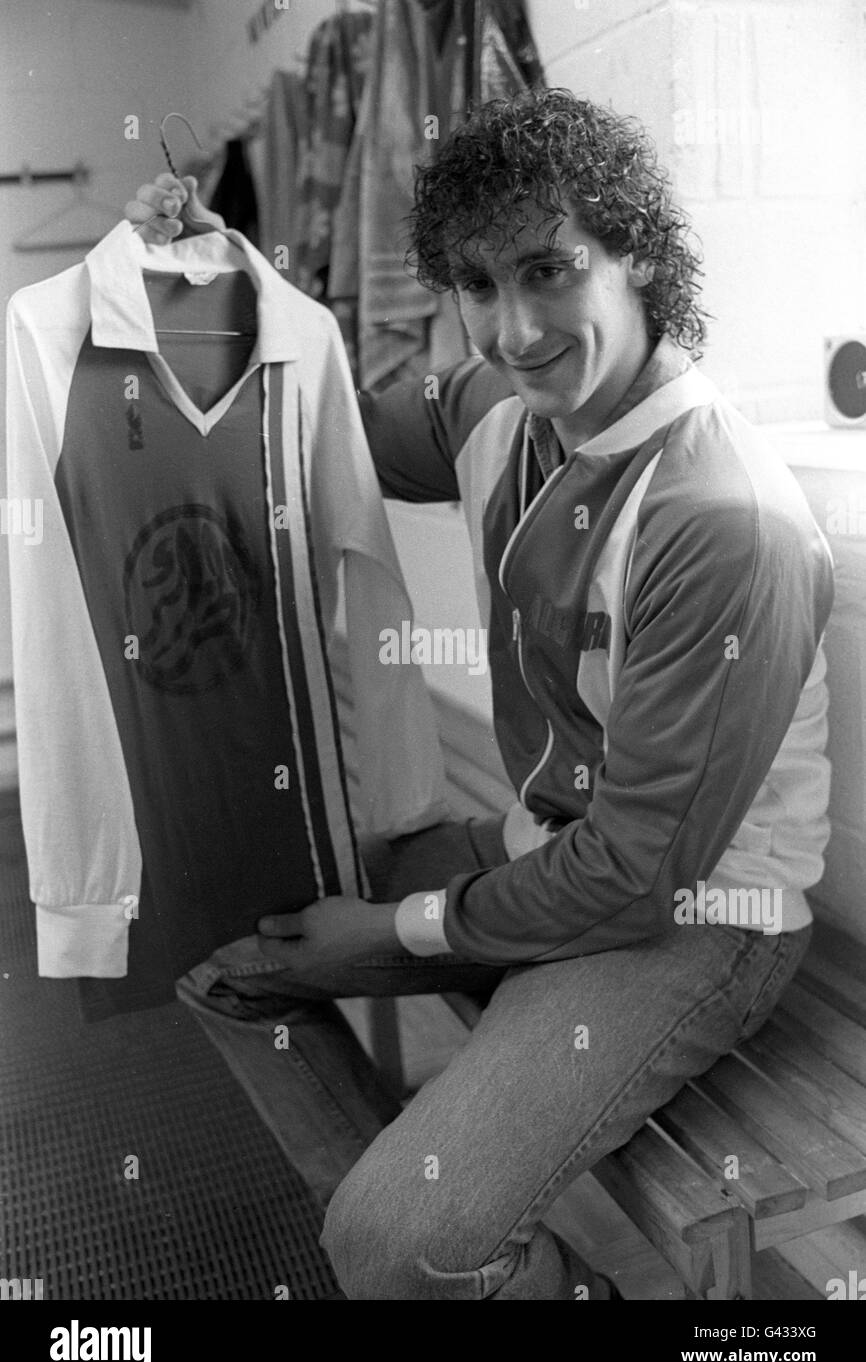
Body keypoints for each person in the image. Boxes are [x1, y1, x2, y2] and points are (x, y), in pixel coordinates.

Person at [123, 89, 833, 1300]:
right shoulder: (500, 409)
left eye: (548, 271)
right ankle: (434, 1242)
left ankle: (423, 1249)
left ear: (634, 253)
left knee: (389, 1241)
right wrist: (211, 285)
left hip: (693, 923)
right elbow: (316, 428)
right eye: (477, 284)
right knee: (213, 936)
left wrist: (394, 929)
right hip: (536, 849)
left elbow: (635, 875)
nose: (511, 329)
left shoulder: (723, 521)